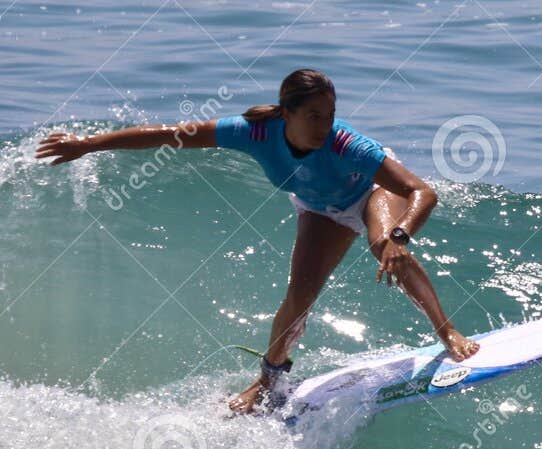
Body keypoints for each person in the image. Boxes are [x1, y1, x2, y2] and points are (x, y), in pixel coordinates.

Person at [36, 68, 480, 412]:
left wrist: (401, 235)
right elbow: (168, 134)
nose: (325, 125)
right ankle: (268, 381)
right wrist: (88, 145)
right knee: (298, 298)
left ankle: (449, 332)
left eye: (329, 114)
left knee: (384, 245)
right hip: (319, 206)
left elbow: (423, 191)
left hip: (371, 191)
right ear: (287, 113)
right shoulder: (253, 132)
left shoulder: (350, 145)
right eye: (314, 116)